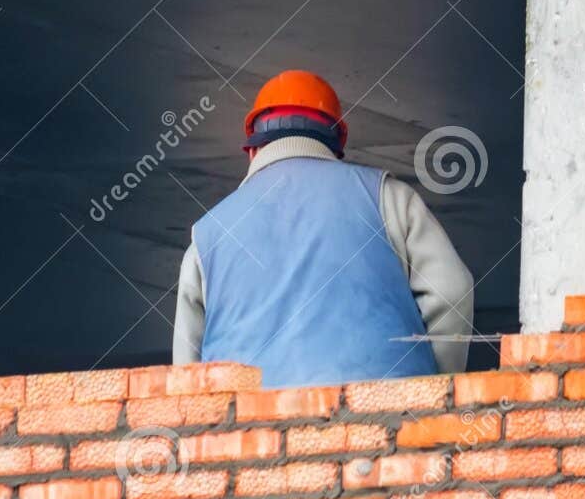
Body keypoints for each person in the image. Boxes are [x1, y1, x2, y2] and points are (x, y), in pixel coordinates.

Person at [173, 70, 474, 388]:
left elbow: (185, 375)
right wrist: (435, 391)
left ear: (252, 149)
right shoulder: (388, 197)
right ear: (336, 142)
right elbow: (453, 290)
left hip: (248, 428)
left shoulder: (208, 234)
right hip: (386, 419)